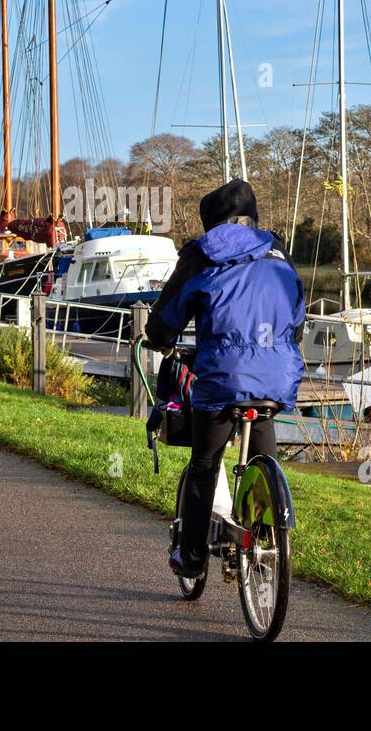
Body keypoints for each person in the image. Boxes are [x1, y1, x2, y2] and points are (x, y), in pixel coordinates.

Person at [145, 179, 306, 579]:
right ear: (253, 216)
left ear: (209, 221)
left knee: (204, 463)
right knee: (263, 458)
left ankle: (192, 558)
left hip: (221, 377)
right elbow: (297, 317)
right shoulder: (278, 251)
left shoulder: (202, 254)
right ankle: (266, 542)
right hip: (279, 374)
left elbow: (164, 322)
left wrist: (161, 340)